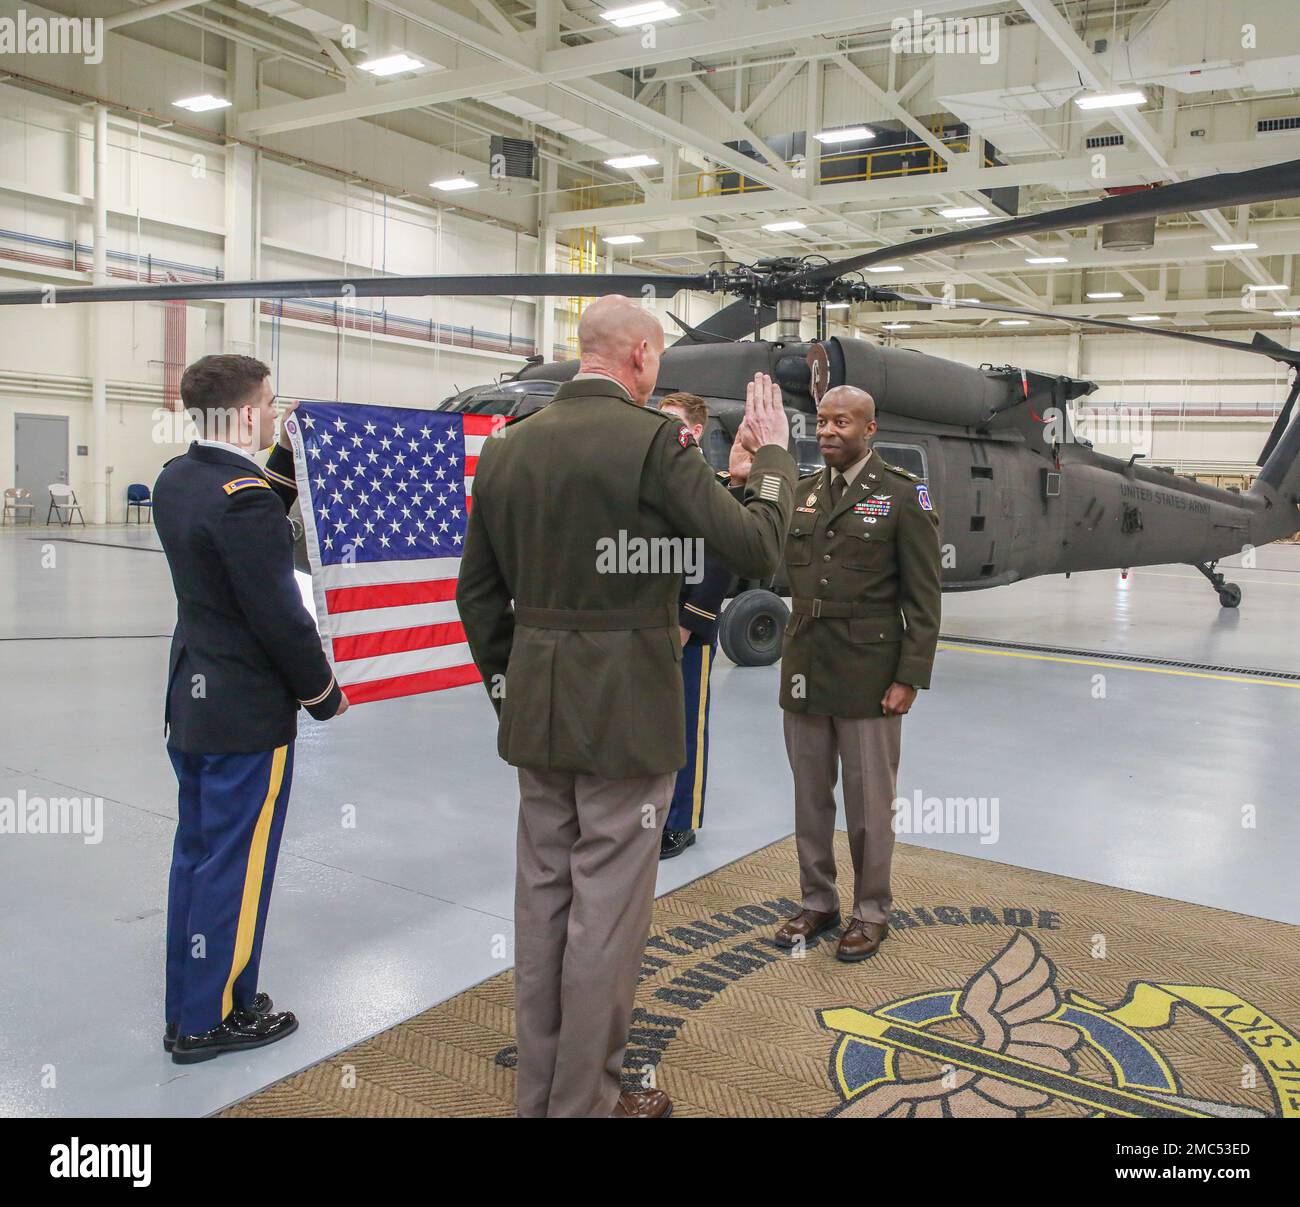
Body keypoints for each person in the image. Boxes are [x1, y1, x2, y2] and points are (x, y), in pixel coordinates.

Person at [456, 297, 796, 1118]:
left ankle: (539, 1095)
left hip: (536, 710)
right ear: (643, 355)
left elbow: (477, 595)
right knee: (605, 914)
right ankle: (586, 1101)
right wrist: (774, 463)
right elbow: (756, 549)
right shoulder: (656, 441)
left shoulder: (507, 448)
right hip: (626, 716)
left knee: (542, 902)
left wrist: (514, 682)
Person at [153, 354, 348, 1064]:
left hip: (194, 700)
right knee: (237, 864)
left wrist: (283, 460)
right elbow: (280, 616)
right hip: (245, 712)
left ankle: (189, 1005)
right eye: (269, 402)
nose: (274, 410)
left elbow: (246, 506)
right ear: (242, 413)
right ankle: (216, 1019)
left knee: (198, 857)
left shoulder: (183, 480)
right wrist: (322, 693)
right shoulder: (244, 499)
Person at [734, 385, 941, 962]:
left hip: (870, 671)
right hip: (805, 665)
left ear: (870, 429)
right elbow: (760, 551)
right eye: (821, 422)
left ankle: (871, 910)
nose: (826, 432)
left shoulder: (903, 495)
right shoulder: (801, 494)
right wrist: (744, 481)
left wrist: (910, 676)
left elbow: (924, 599)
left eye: (841, 423)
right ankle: (817, 901)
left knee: (870, 803)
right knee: (809, 796)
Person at [656, 392, 735, 860]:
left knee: (685, 726)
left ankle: (681, 822)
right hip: (643, 625)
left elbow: (719, 555)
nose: (662, 429)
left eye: (672, 422)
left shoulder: (709, 482)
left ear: (696, 429)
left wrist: (690, 622)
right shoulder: (653, 476)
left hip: (685, 628)